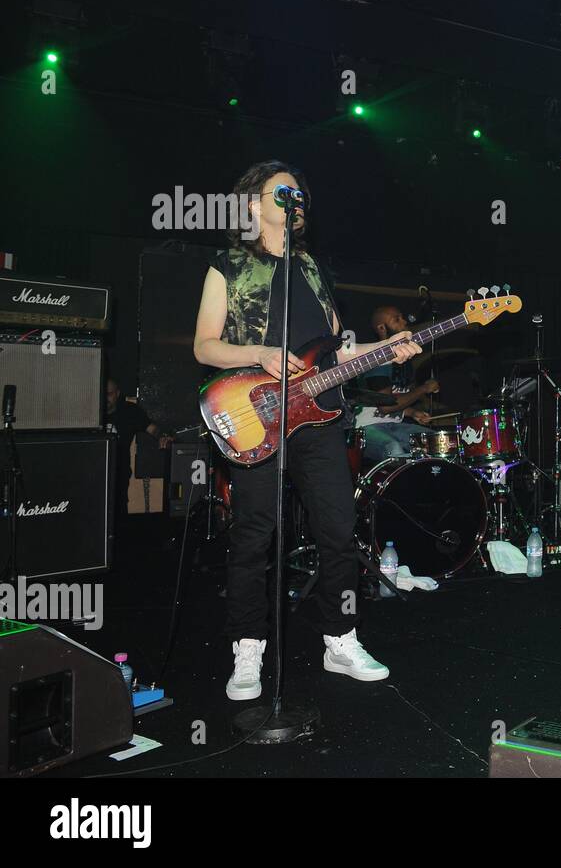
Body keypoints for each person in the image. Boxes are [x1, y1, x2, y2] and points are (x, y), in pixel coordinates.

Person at [192, 160, 421, 701]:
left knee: (339, 532)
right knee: (255, 536)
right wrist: (259, 352)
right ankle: (248, 647)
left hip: (319, 417)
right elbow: (204, 346)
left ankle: (340, 639)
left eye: (299, 192)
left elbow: (339, 353)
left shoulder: (314, 268)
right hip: (256, 416)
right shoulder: (226, 265)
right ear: (254, 204)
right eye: (283, 191)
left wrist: (391, 350)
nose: (296, 198)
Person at [354, 305, 442, 462]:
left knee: (436, 442)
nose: (405, 321)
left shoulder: (403, 360)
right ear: (382, 328)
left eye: (402, 317)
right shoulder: (376, 360)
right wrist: (424, 388)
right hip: (366, 428)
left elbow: (394, 399)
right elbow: (385, 405)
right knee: (393, 447)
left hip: (394, 425)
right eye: (397, 319)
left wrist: (413, 413)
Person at [104, 378, 171, 529]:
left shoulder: (129, 411)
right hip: (93, 470)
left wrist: (163, 436)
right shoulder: (90, 411)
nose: (105, 398)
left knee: (118, 511)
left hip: (118, 471)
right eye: (103, 394)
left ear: (118, 394)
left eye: (109, 394)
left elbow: (152, 428)